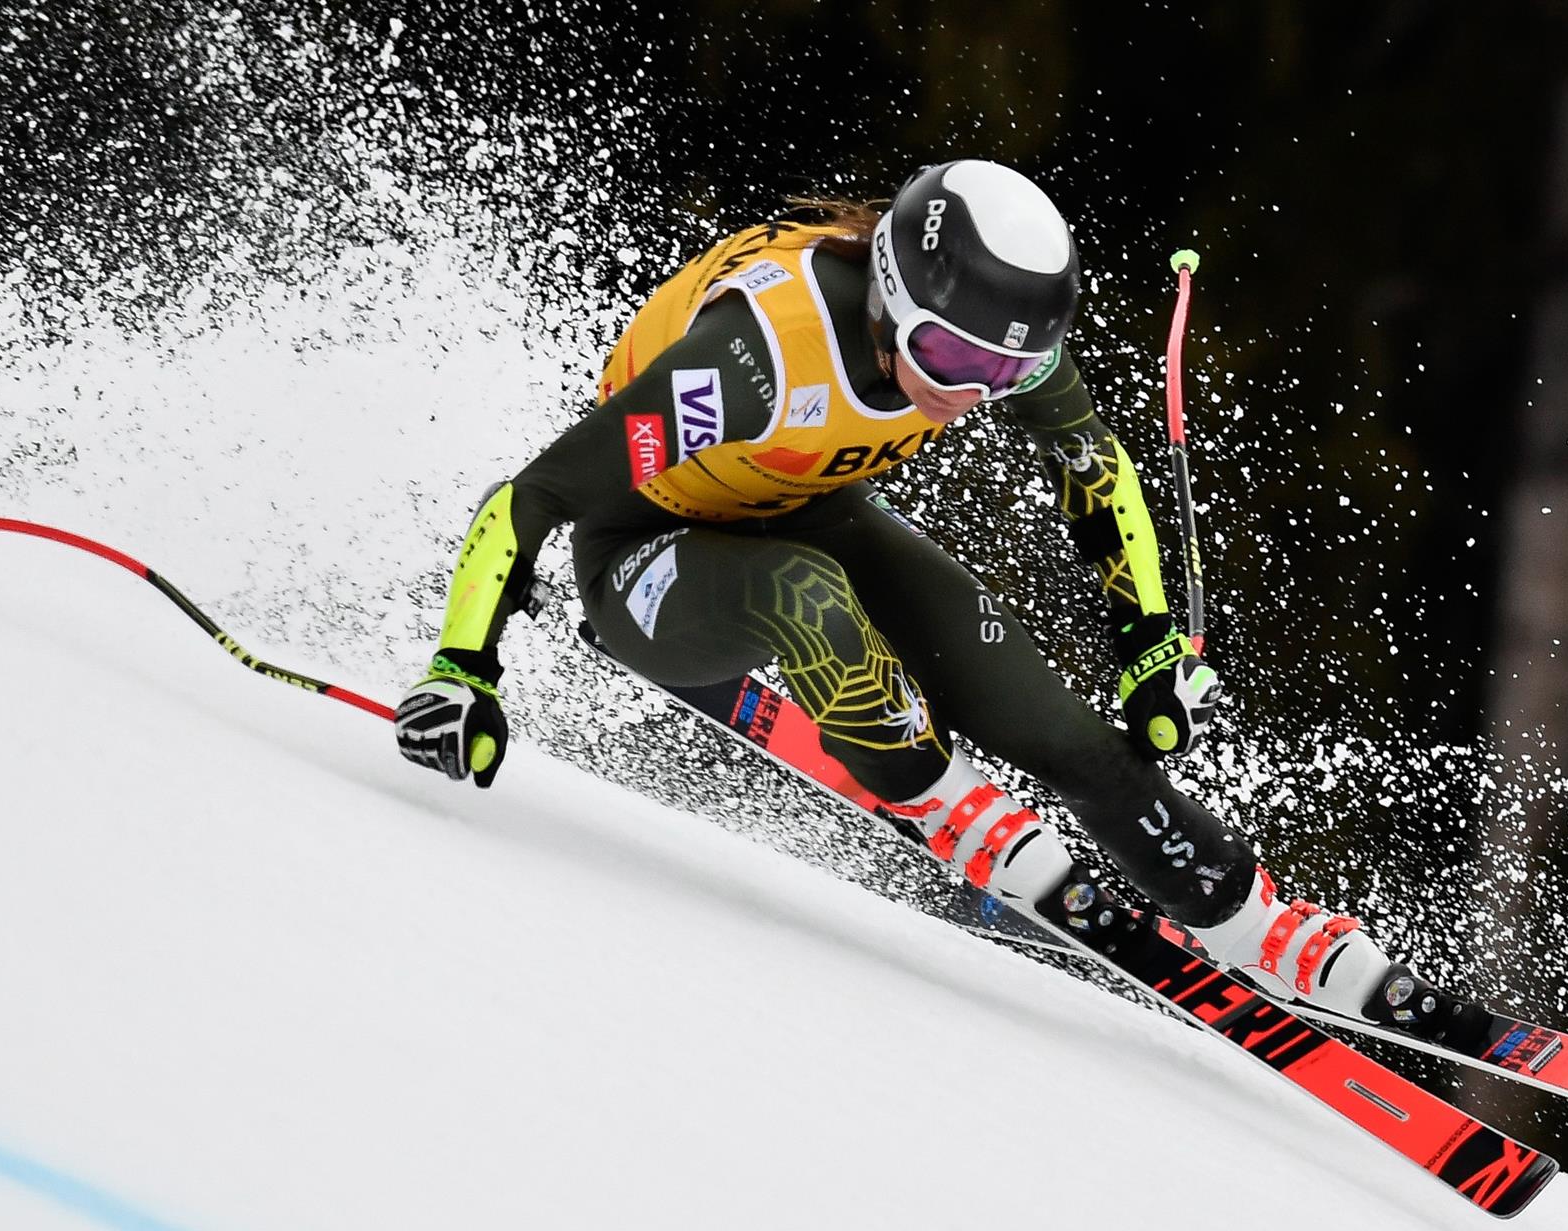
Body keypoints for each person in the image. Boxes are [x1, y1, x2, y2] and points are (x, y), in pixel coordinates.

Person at [395, 159, 1412, 1028]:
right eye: (950, 357)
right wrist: (461, 668)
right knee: (805, 594)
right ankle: (944, 804)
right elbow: (531, 501)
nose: (969, 390)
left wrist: (1148, 647)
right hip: (645, 552)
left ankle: (1249, 922)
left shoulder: (997, 340)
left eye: (1001, 374)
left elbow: (1093, 464)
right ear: (890, 300)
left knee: (1067, 735)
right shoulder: (758, 358)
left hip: (809, 508)